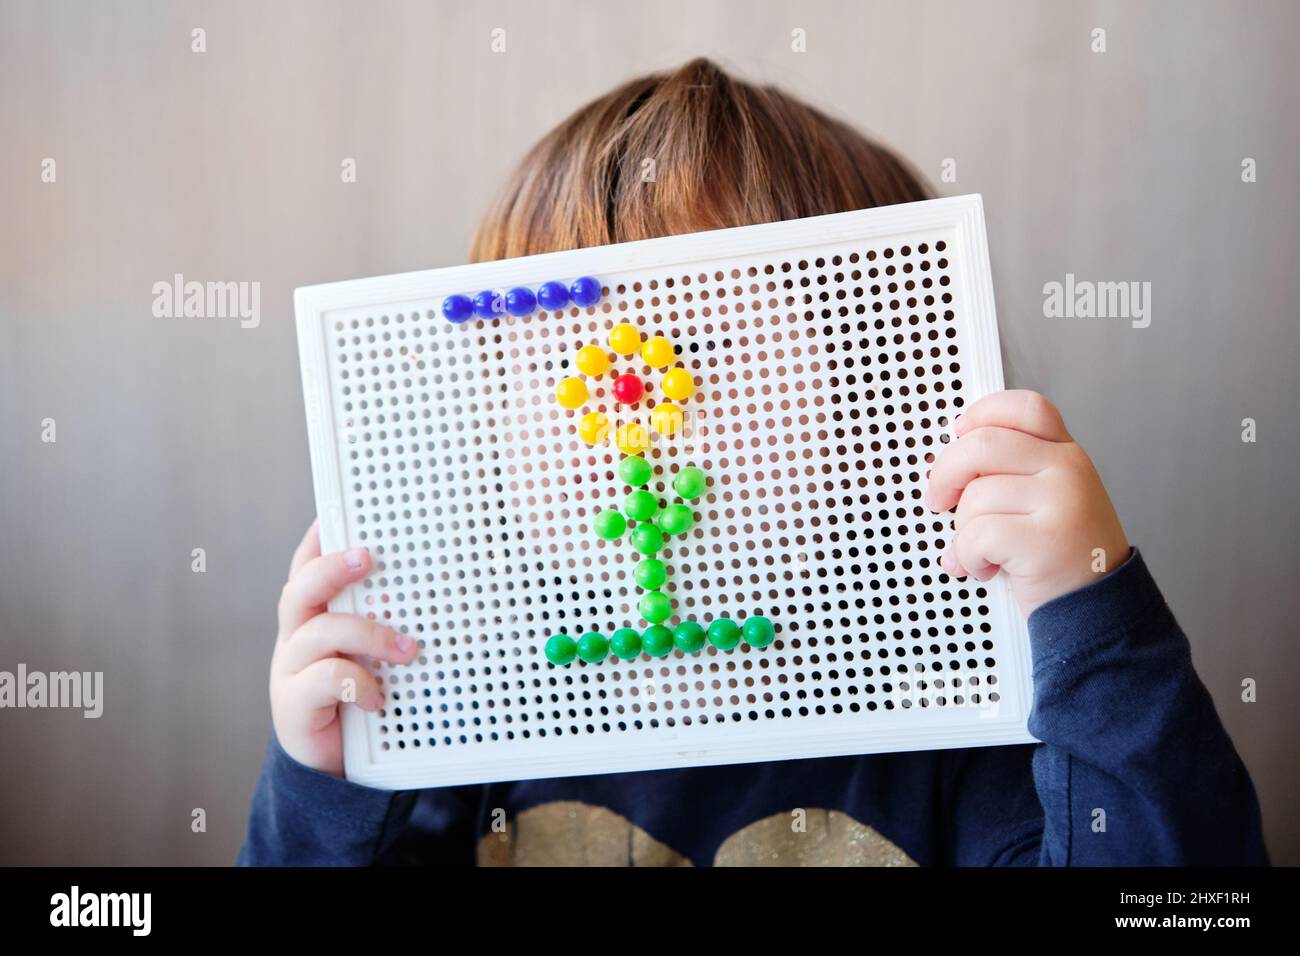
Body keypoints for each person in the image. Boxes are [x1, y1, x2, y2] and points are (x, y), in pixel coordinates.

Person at [240, 58, 1265, 866]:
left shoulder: (967, 721)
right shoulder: (445, 717)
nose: (630, 405)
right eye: (566, 365)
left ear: (886, 391)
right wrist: (328, 781)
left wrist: (1092, 625)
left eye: (710, 347)